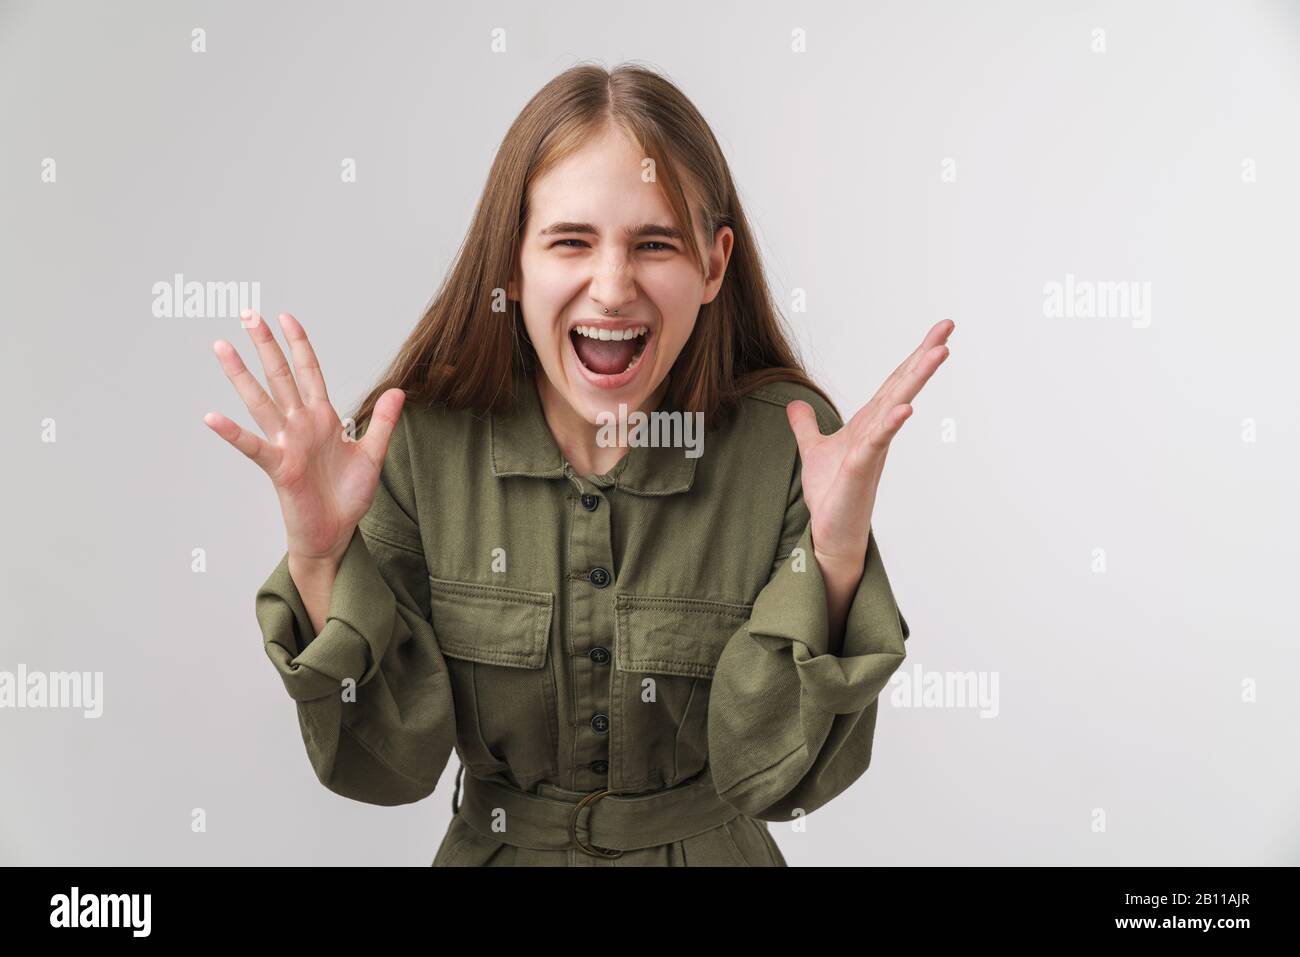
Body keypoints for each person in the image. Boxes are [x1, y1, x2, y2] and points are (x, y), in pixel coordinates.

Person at [203, 61, 952, 866]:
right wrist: (320, 559)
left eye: (654, 243)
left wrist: (836, 559)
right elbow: (391, 762)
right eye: (570, 240)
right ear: (513, 263)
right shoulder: (418, 444)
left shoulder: (790, 446)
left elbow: (771, 776)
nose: (611, 286)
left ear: (712, 263)